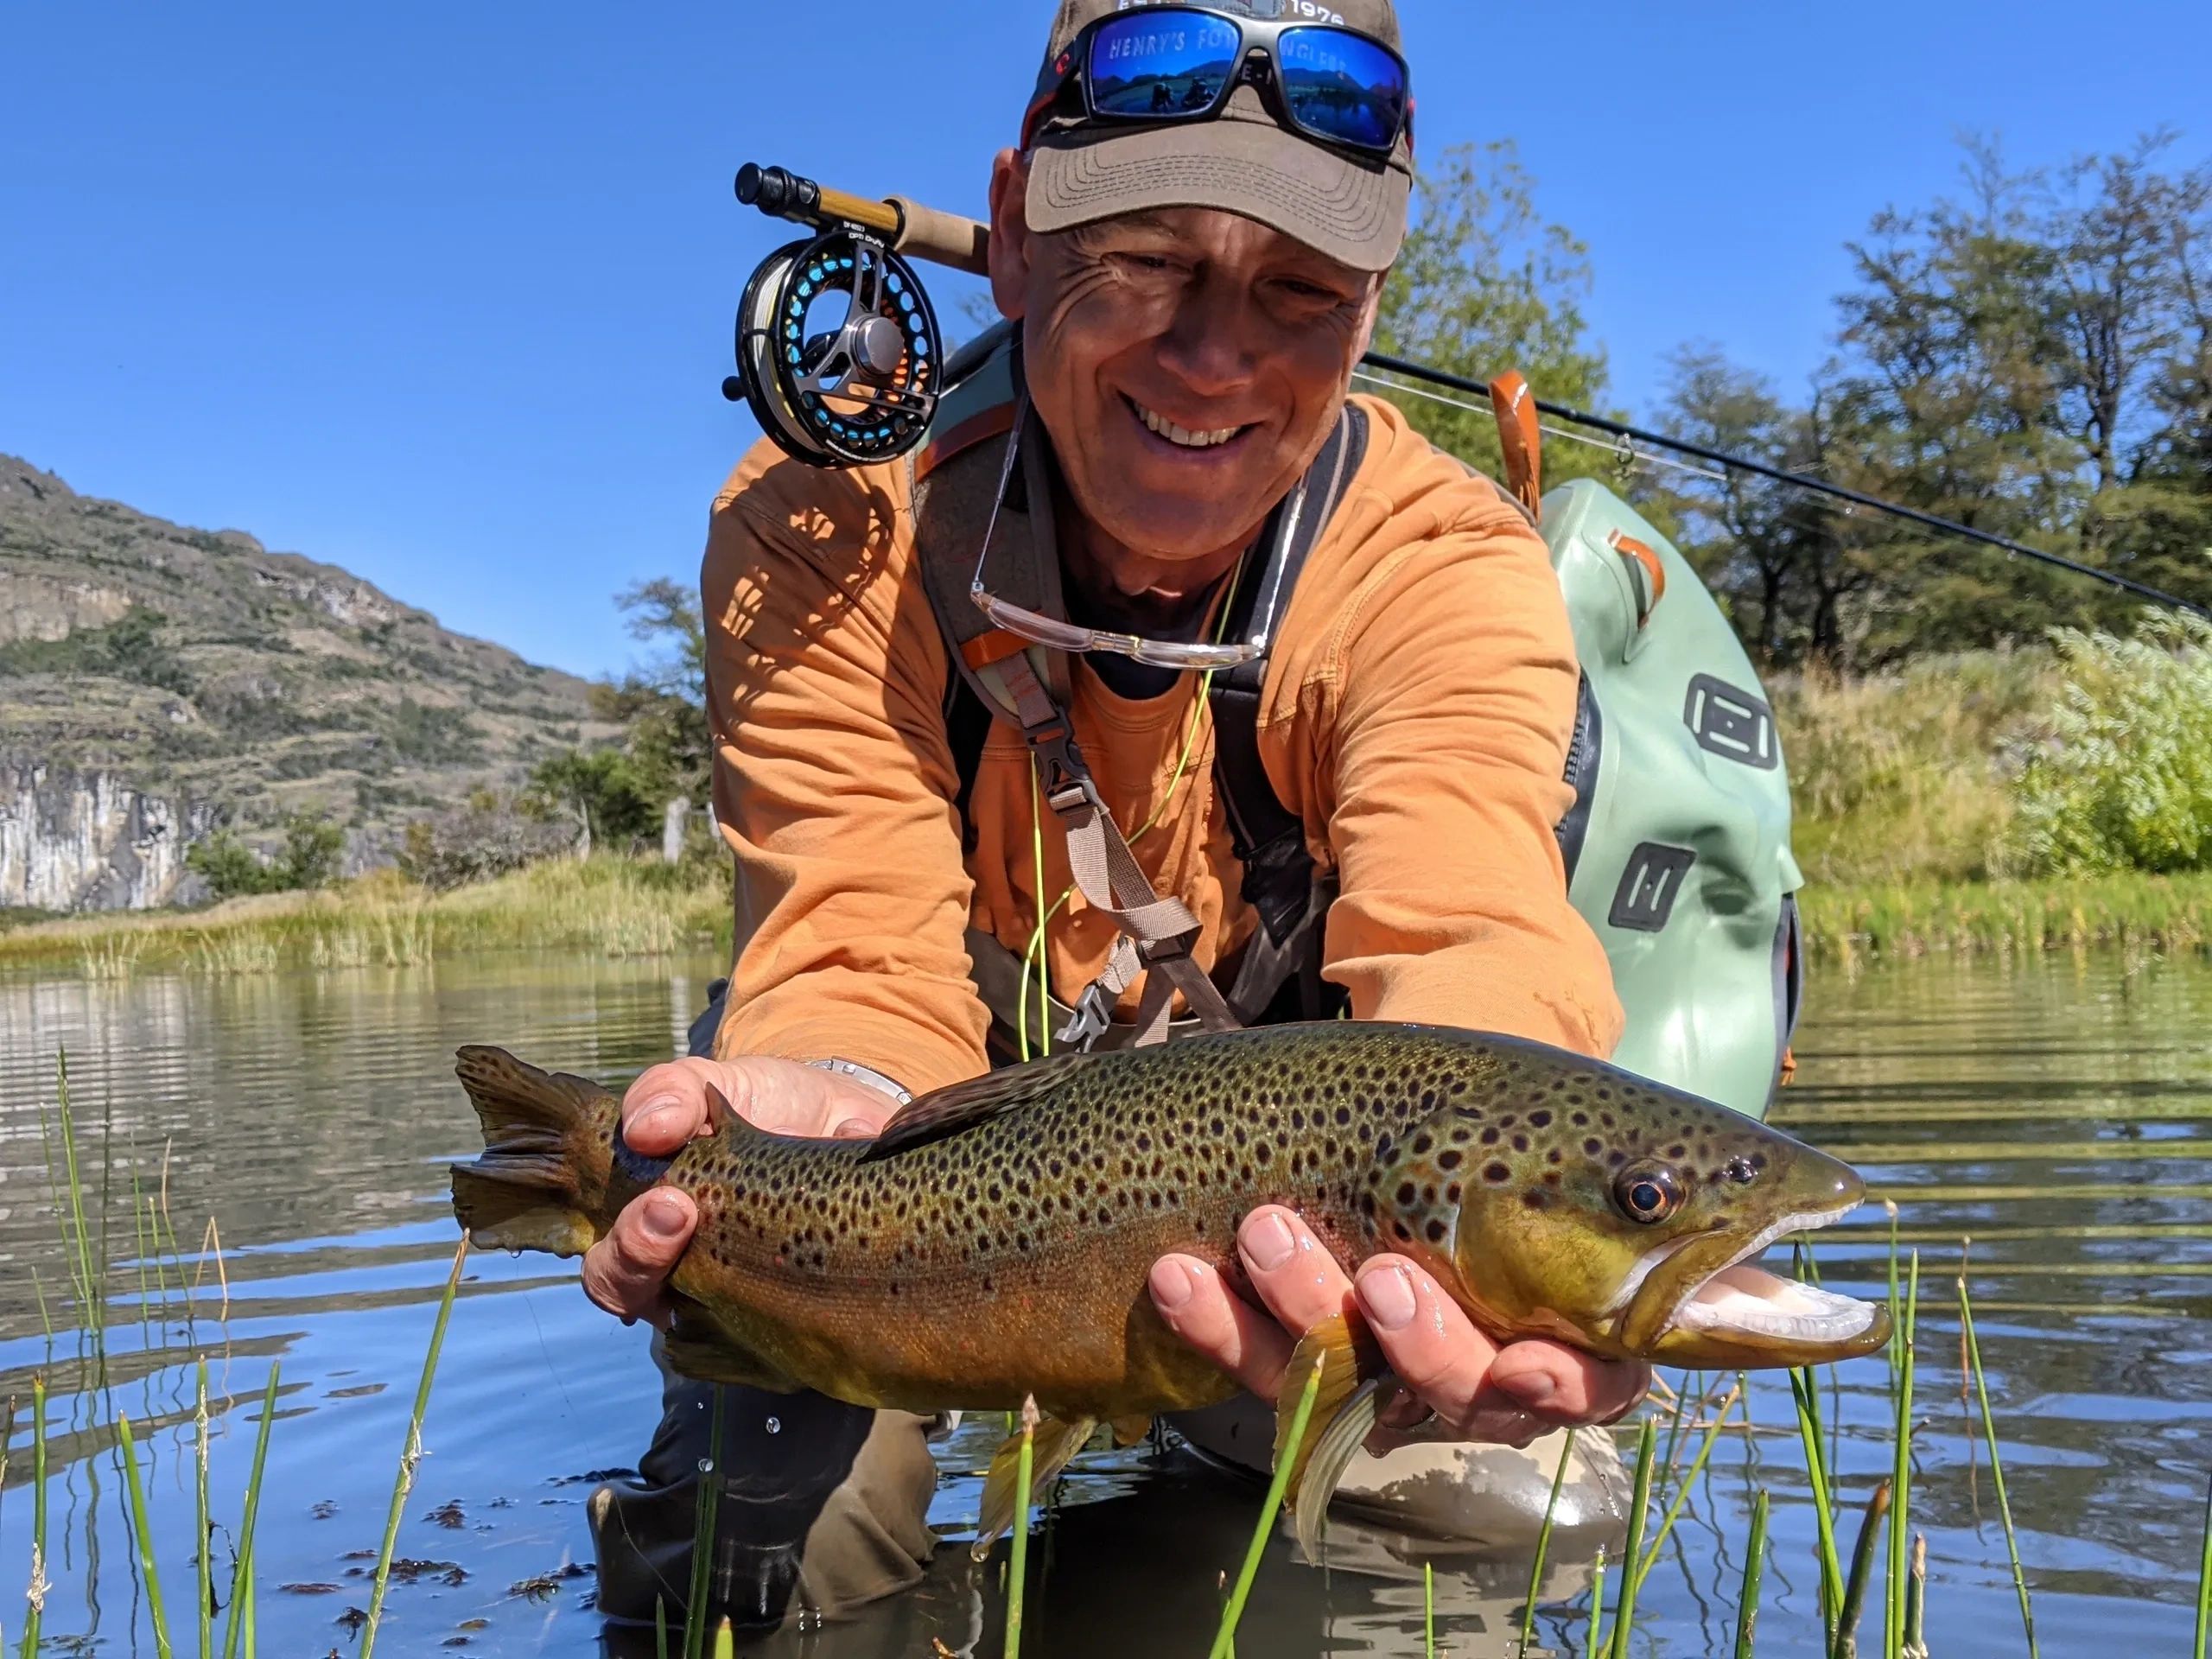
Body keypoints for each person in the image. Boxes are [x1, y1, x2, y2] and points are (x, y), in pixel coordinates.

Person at [584, 0, 1648, 1632]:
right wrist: (830, 1112)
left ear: (1368, 310)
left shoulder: (1444, 568)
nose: (1216, 358)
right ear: (1015, 234)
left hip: (1289, 1215)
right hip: (917, 1190)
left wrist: (1506, 1246)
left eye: (1298, 289)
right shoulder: (828, 523)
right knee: (759, 1534)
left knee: (1503, 1504)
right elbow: (855, 947)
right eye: (1146, 258)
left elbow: (1476, 940)